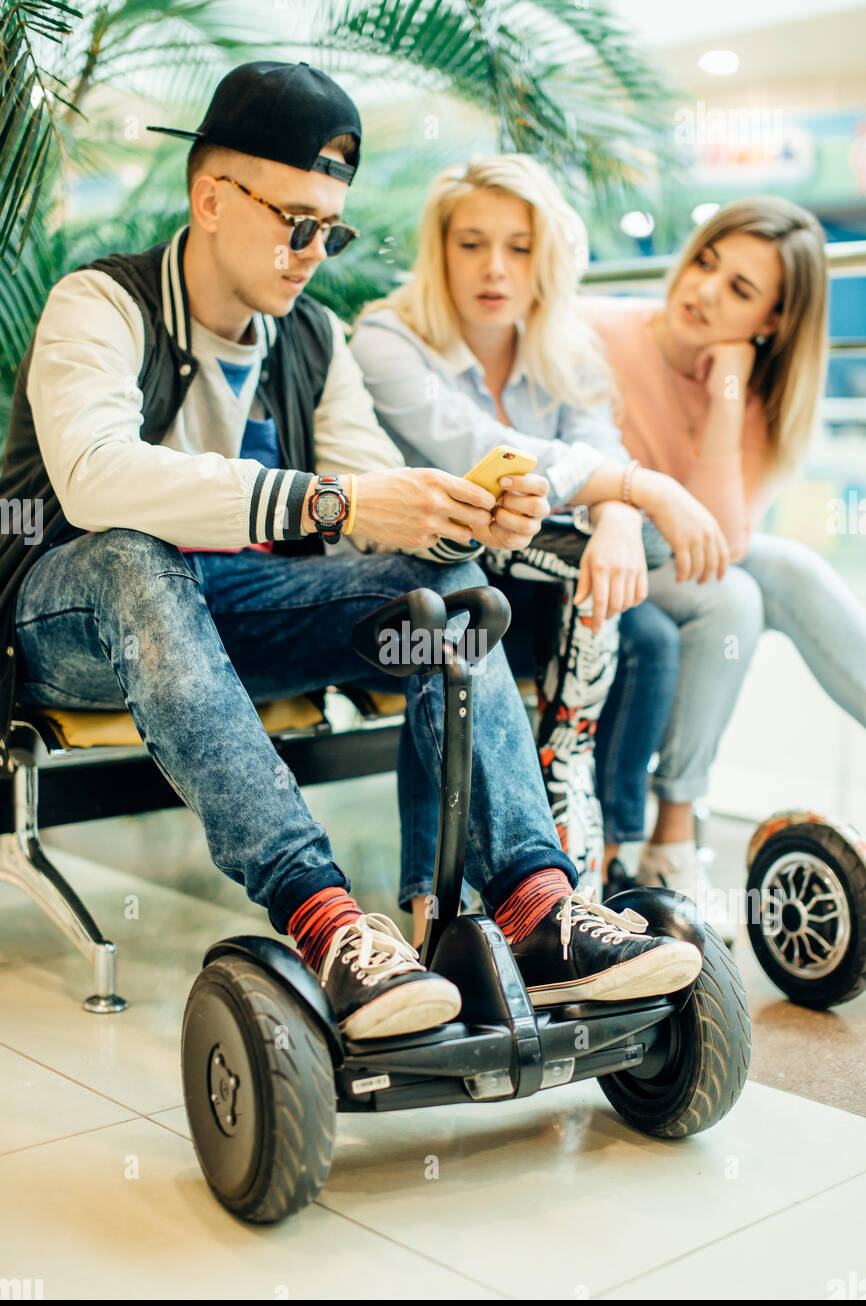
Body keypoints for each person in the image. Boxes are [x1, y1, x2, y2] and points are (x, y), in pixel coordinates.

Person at [0, 62, 704, 1042]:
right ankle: (327, 922)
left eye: (330, 231)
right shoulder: (100, 306)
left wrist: (463, 518)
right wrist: (334, 500)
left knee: (444, 590)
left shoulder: (311, 340)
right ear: (211, 198)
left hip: (238, 617)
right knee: (133, 555)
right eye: (296, 223)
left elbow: (376, 501)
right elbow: (93, 479)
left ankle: (536, 909)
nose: (312, 253)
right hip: (75, 616)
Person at [349, 152, 728, 932]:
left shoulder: (566, 346)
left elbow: (599, 446)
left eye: (519, 247)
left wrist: (618, 517)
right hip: (416, 575)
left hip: (540, 570)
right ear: (440, 248)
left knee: (649, 634)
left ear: (544, 256)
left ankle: (611, 869)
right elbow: (468, 446)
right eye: (472, 243)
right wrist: (633, 493)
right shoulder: (387, 338)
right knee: (452, 625)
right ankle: (437, 909)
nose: (495, 268)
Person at [585, 195, 866, 929]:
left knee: (785, 571)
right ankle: (674, 834)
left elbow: (722, 544)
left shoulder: (761, 399)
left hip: (684, 566)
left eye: (740, 290)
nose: (702, 290)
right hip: (593, 543)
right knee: (741, 594)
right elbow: (708, 546)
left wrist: (728, 389)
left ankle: (672, 842)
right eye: (707, 261)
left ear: (772, 322)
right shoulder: (601, 329)